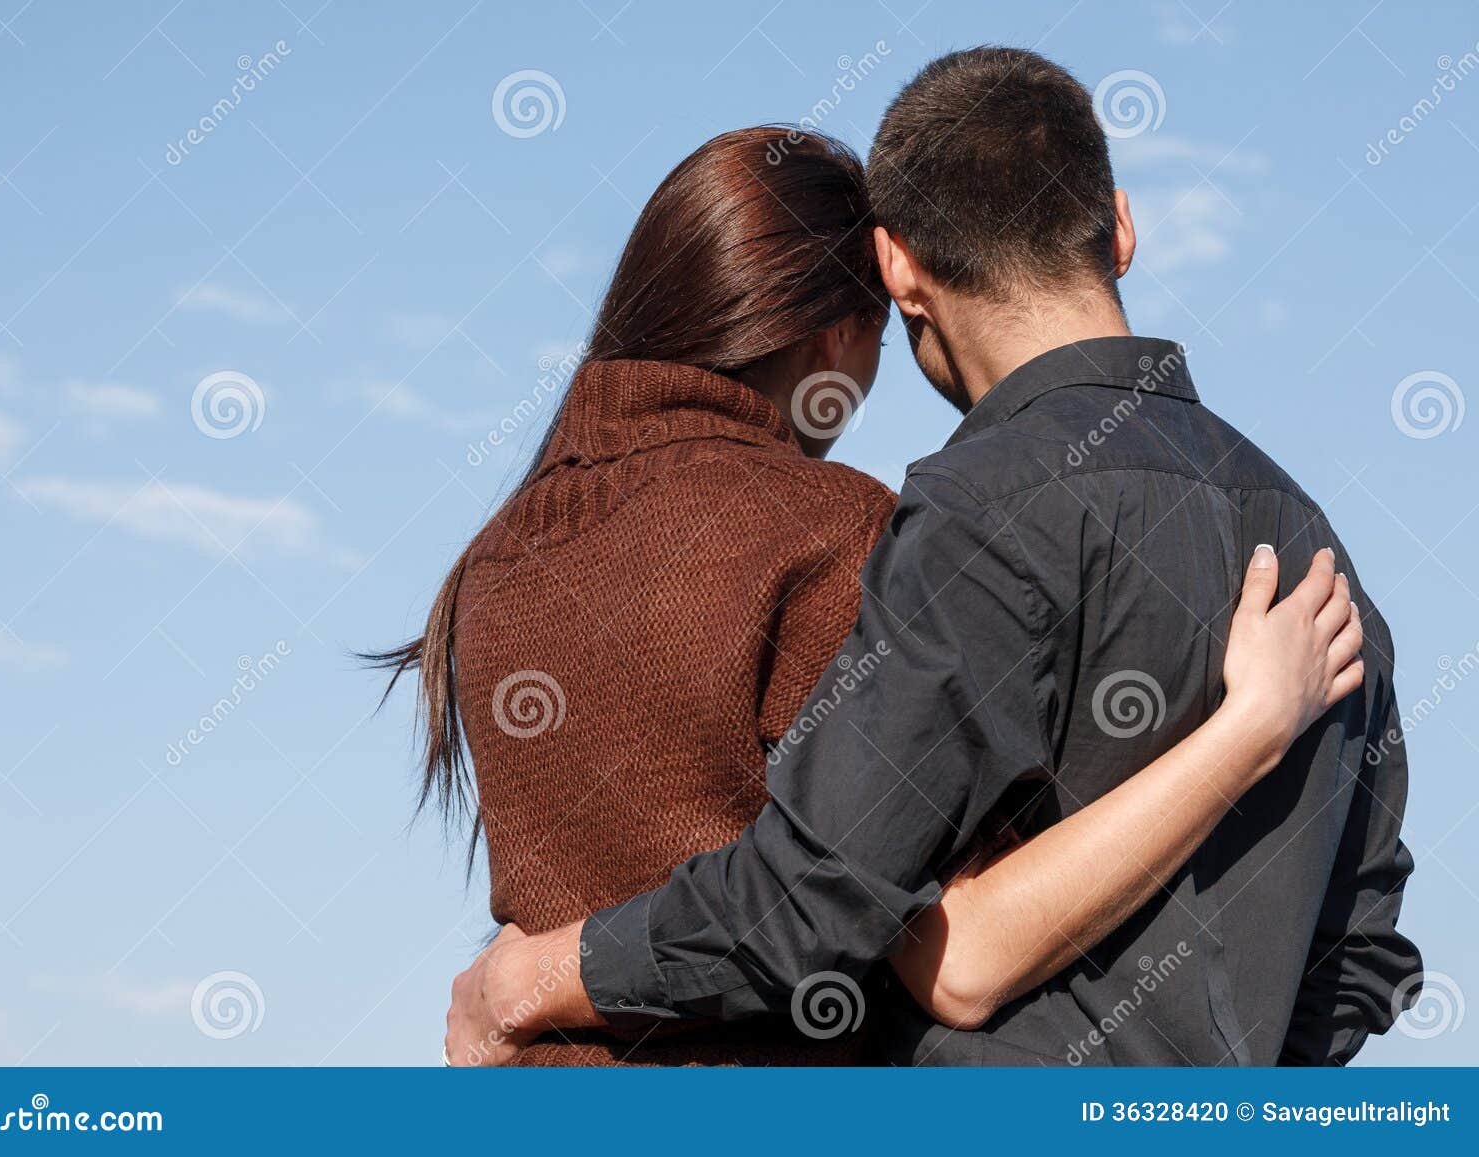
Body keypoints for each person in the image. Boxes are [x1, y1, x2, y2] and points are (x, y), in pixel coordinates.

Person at [441, 48, 1420, 1067]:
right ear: (1121, 227)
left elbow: (833, 902)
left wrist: (528, 976)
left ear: (898, 267)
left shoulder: (970, 511)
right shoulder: (1311, 548)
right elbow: (1361, 954)